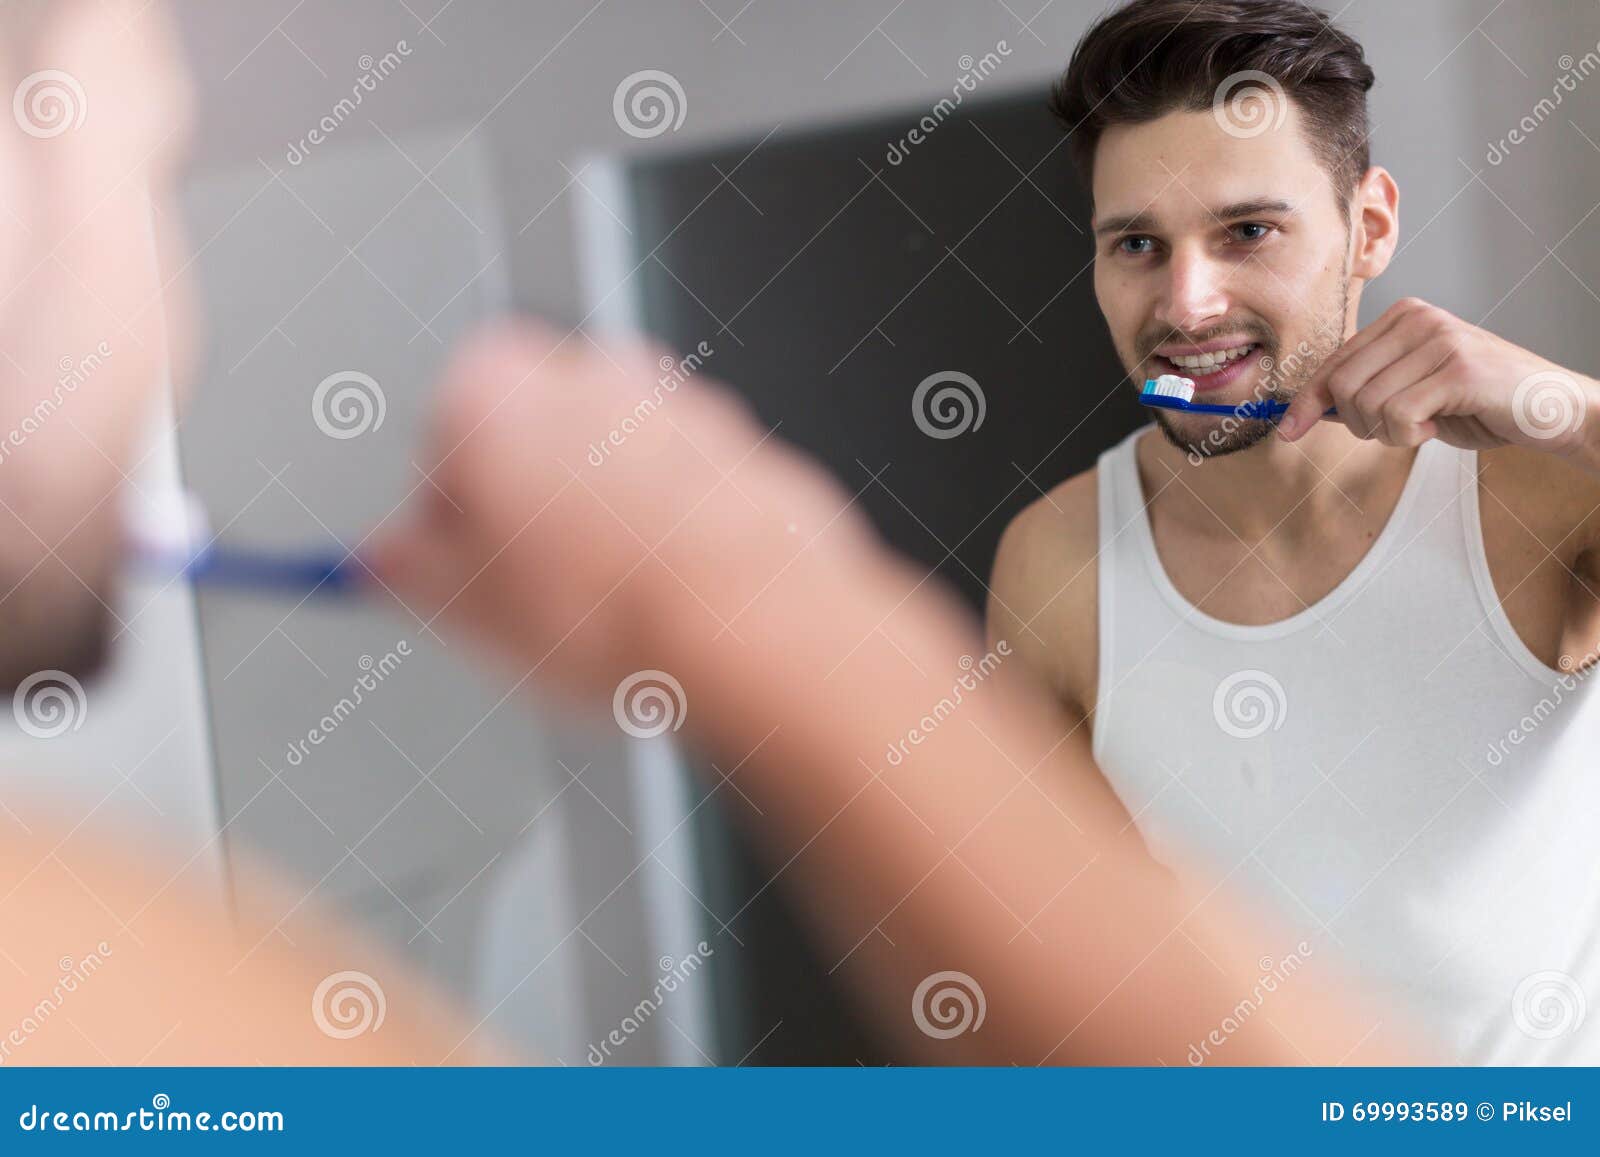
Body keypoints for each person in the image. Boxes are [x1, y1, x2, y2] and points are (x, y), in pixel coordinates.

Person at [0, 0, 1428, 1065]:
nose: (167, 336)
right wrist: (753, 597)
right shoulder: (100, 992)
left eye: (1250, 231)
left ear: (1368, 228)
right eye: (140, 169)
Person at [989, 0, 1600, 1063]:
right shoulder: (1053, 561)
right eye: (1137, 243)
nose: (1184, 303)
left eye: (1248, 232)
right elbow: (1049, 984)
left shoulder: (1540, 496)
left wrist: (1574, 412)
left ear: (1368, 228)